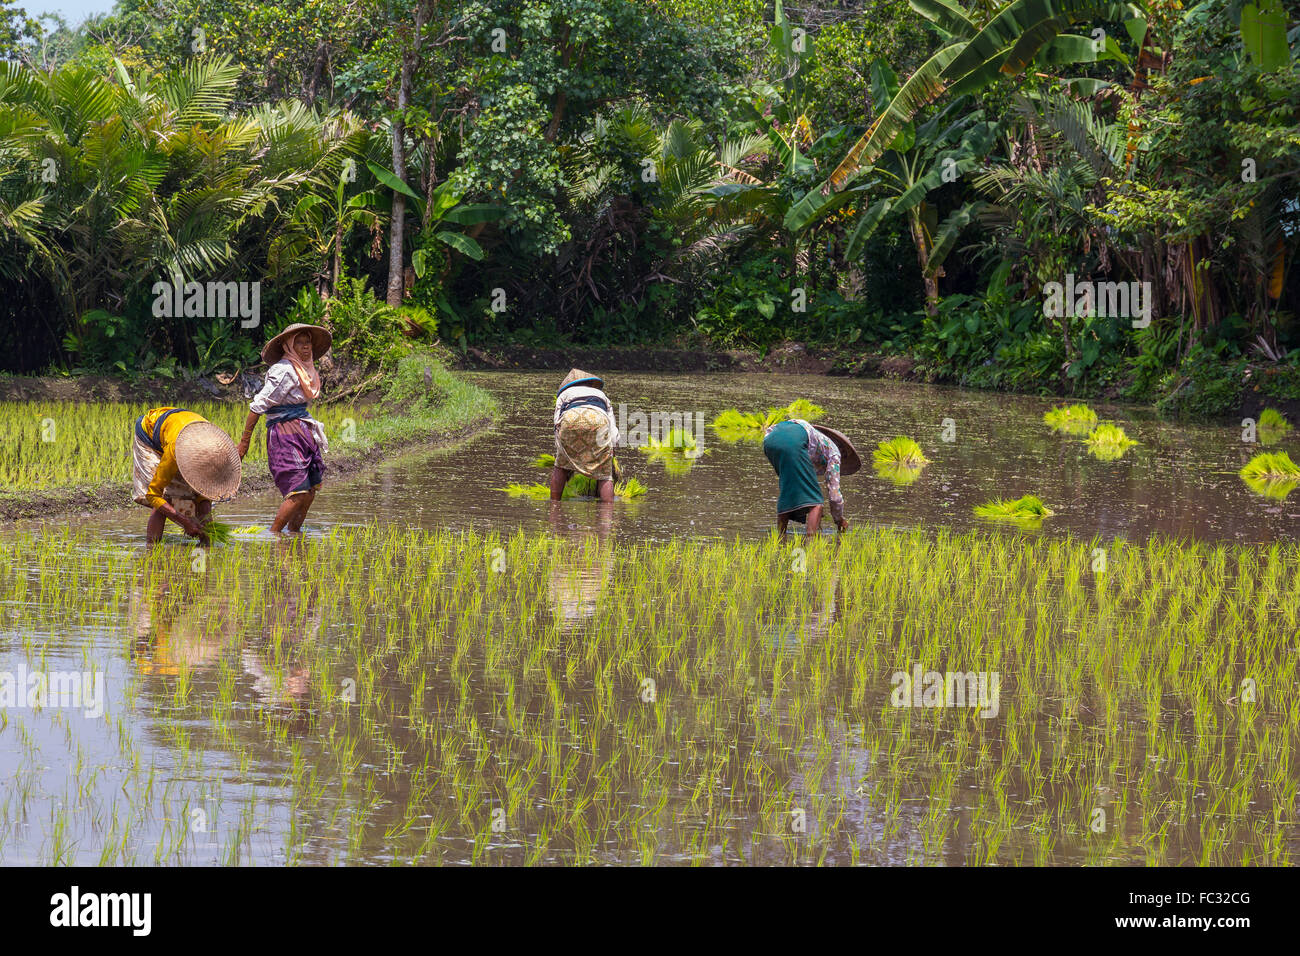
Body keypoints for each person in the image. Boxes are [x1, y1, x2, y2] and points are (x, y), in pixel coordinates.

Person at [236, 323, 332, 534]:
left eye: (308, 343)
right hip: (285, 434)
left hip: (302, 430)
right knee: (298, 492)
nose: (306, 347)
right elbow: (258, 406)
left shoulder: (305, 368)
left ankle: (294, 534)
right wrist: (244, 442)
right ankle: (274, 535)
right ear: (289, 346)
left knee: (309, 493)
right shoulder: (284, 370)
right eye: (300, 343)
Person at [132, 406, 242, 544]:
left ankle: (206, 544)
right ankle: (152, 548)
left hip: (183, 429)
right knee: (166, 495)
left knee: (196, 494)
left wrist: (205, 517)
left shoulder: (215, 448)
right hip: (149, 434)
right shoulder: (174, 452)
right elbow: (153, 495)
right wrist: (184, 521)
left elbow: (203, 493)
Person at [761, 417, 860, 542]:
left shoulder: (816, 442)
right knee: (816, 503)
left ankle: (780, 539)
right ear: (843, 450)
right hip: (793, 441)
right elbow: (834, 495)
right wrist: (839, 520)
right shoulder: (835, 453)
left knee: (788, 491)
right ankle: (810, 543)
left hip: (770, 439)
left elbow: (802, 484)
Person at [551, 368, 620, 501]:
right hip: (598, 420)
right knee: (605, 475)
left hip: (570, 418)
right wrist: (612, 449)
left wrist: (561, 449)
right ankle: (607, 513)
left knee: (560, 466)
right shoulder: (602, 395)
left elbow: (557, 424)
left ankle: (554, 505)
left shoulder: (565, 394)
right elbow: (612, 427)